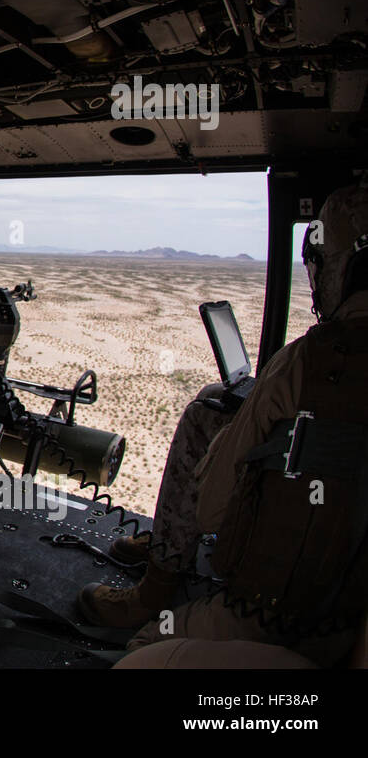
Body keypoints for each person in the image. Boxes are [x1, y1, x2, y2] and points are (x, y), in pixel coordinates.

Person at [80, 182, 368, 667]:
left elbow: (213, 509)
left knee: (142, 651)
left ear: (338, 269)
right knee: (219, 401)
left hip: (276, 616)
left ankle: (157, 588)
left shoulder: (304, 362)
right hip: (345, 611)